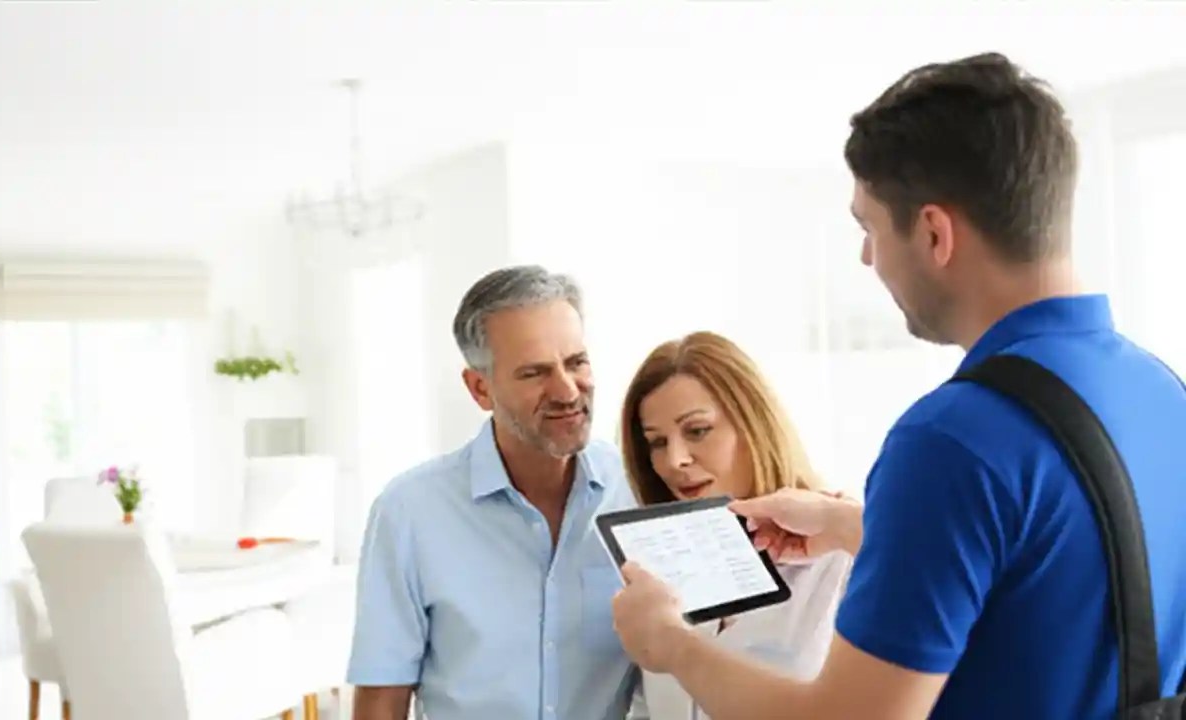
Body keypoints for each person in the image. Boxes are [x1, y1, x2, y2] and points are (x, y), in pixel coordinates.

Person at [611, 52, 1186, 720]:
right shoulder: (1160, 393)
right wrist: (854, 527)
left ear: (935, 233)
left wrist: (673, 645)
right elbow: (1057, 572)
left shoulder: (953, 439)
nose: (866, 258)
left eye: (869, 227)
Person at [347, 265, 639, 720]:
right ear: (480, 388)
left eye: (576, 362)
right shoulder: (409, 512)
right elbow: (381, 701)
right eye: (534, 373)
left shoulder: (636, 490)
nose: (566, 390)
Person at [618, 331, 852, 720]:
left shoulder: (845, 559)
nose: (674, 460)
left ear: (754, 424)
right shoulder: (664, 573)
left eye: (697, 431)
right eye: (657, 442)